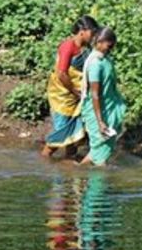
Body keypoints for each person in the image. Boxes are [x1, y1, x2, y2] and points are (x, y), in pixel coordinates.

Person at [43, 16, 99, 158]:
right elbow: (61, 74)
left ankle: (69, 160)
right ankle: (44, 158)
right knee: (62, 131)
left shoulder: (86, 48)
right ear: (82, 31)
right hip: (63, 95)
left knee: (75, 129)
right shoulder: (68, 46)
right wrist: (75, 92)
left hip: (78, 93)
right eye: (92, 33)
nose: (93, 37)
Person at [79, 27, 126, 166]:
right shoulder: (95, 64)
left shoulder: (105, 59)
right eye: (109, 46)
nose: (110, 49)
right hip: (97, 112)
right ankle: (97, 186)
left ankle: (75, 177)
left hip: (108, 108)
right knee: (101, 159)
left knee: (97, 151)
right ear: (99, 42)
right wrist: (100, 121)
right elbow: (95, 94)